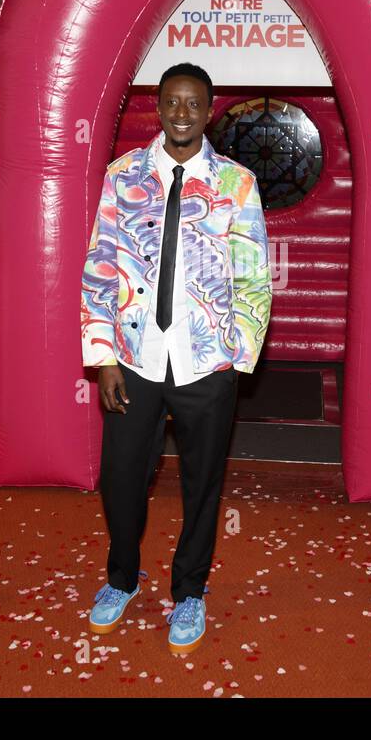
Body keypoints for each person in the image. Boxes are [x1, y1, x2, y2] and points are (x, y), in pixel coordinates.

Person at [80, 62, 271, 654]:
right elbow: (99, 266)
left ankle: (189, 591)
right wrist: (103, 355)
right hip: (135, 356)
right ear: (158, 108)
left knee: (201, 484)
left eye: (193, 104)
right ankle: (122, 577)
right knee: (120, 480)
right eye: (171, 103)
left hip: (205, 363)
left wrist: (235, 357)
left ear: (208, 110)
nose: (182, 113)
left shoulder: (236, 184)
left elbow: (253, 275)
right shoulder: (122, 175)